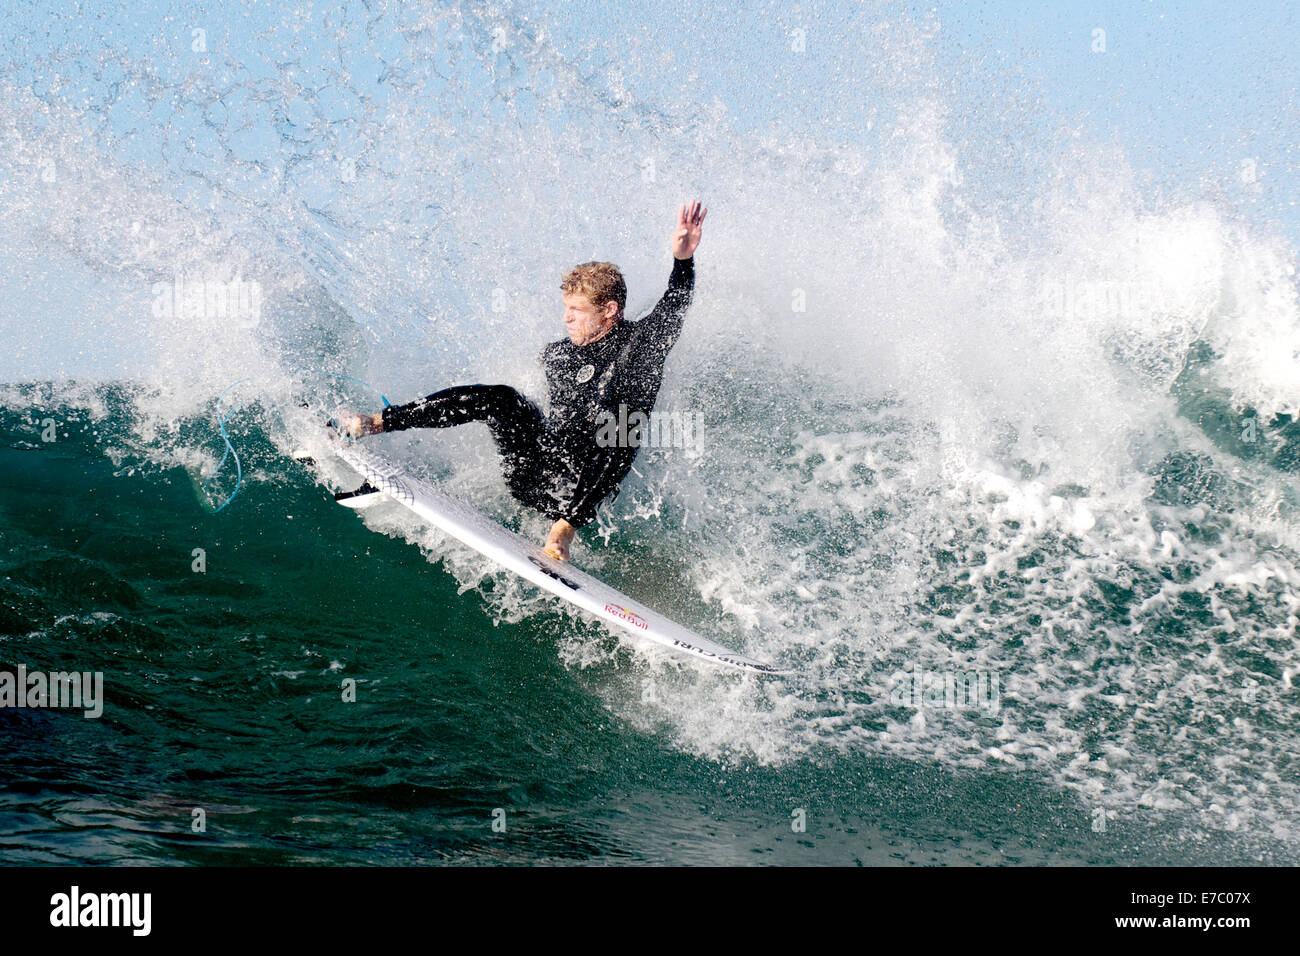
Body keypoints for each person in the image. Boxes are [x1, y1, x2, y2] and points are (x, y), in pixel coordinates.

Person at [340, 201, 707, 562]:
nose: (566, 319)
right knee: (503, 398)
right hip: (537, 468)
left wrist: (683, 261)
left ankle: (563, 532)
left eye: (576, 311)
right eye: (565, 309)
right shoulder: (560, 354)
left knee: (623, 421)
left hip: (580, 490)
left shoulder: (641, 347)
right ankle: (377, 422)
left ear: (609, 310)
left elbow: (675, 304)